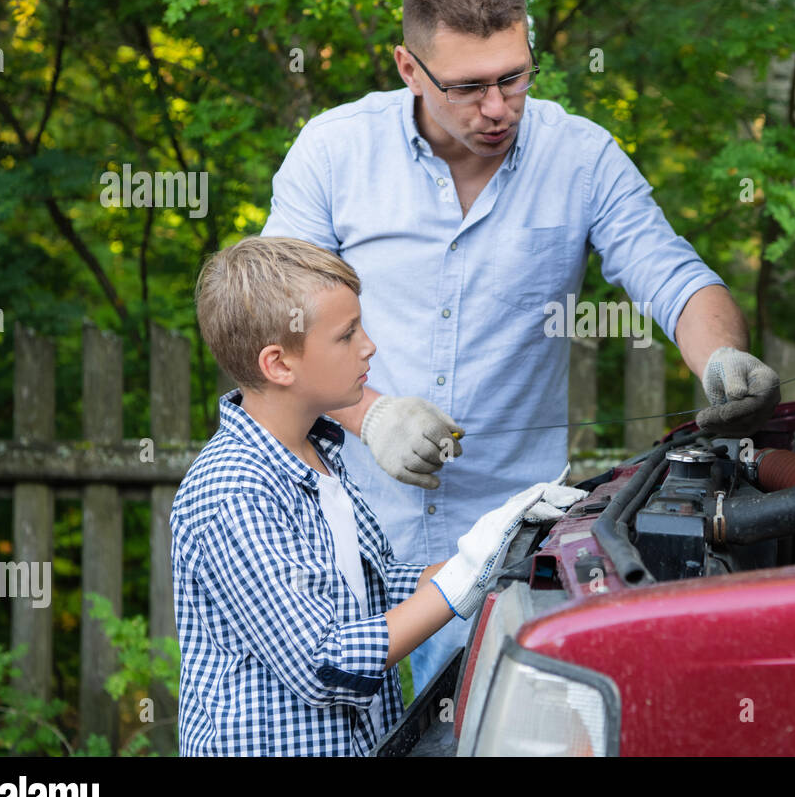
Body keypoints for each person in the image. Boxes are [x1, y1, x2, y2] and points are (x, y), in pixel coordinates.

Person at [261, 0, 781, 694]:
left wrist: (723, 357)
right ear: (410, 68)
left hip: (502, 558)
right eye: (469, 87)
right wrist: (371, 416)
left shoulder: (581, 157)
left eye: (514, 76)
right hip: (338, 540)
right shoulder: (334, 151)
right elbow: (276, 329)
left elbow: (674, 278)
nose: (498, 107)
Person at [171, 236, 581, 755]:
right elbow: (326, 663)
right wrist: (460, 580)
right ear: (279, 364)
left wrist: (496, 544)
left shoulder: (321, 456)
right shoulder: (233, 492)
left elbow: (375, 587)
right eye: (346, 336)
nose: (369, 345)